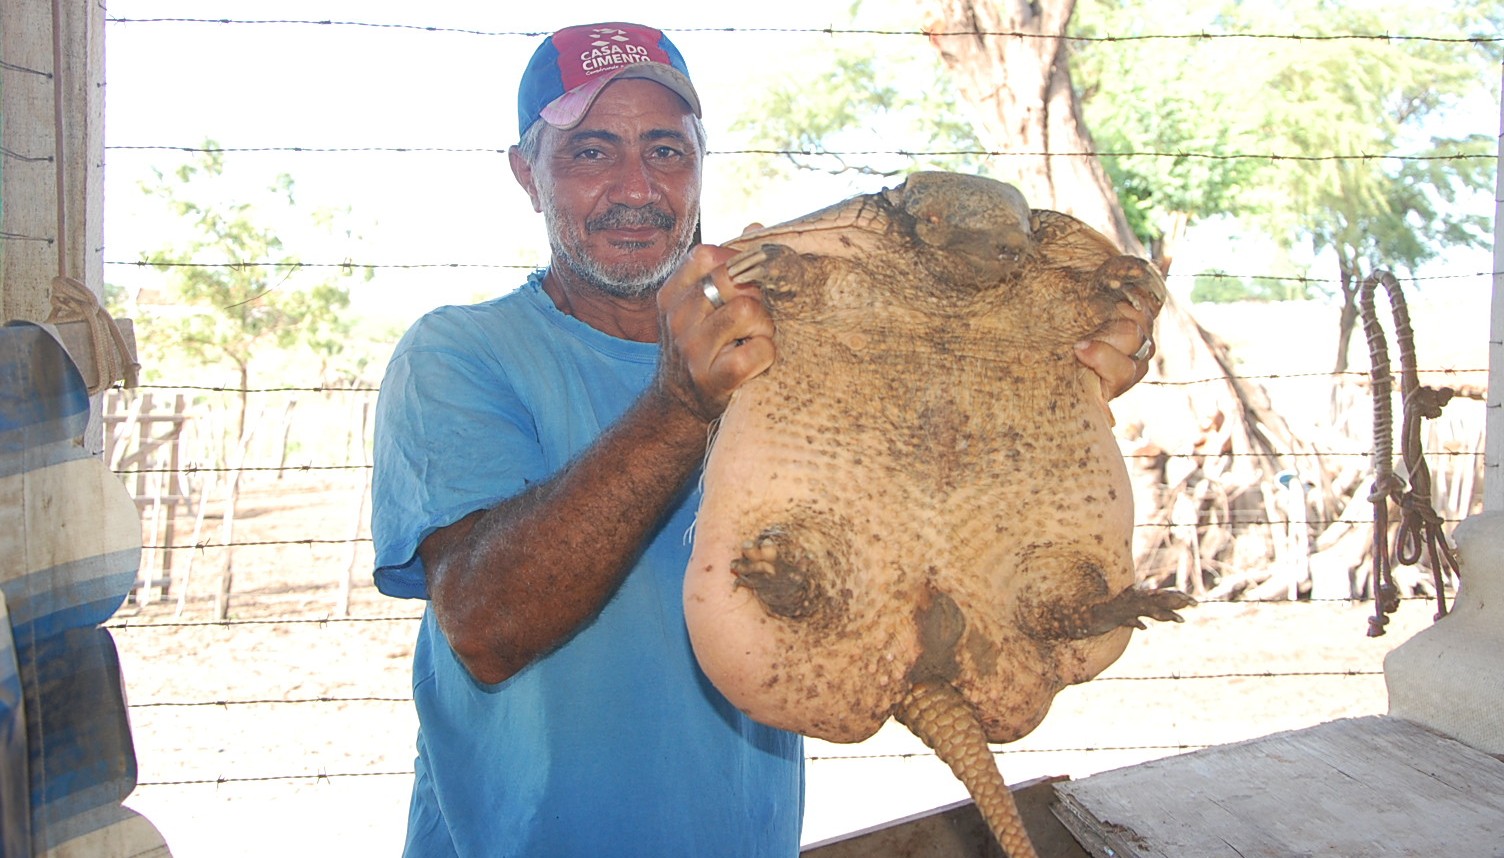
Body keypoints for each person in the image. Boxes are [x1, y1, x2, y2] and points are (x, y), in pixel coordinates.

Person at [370, 20, 1158, 858]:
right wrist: (680, 405)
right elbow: (486, 627)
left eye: (666, 151)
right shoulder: (457, 355)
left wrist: (1058, 377)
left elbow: (940, 519)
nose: (636, 186)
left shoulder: (804, 345)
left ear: (700, 164)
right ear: (528, 174)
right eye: (592, 152)